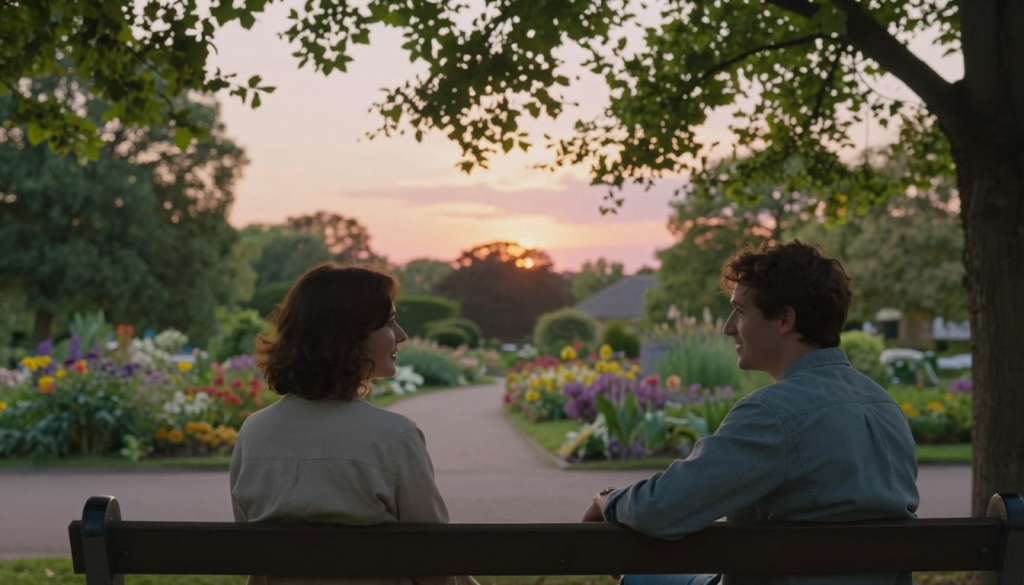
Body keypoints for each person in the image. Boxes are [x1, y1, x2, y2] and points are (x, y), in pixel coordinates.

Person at [582, 241, 920, 585]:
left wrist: (607, 500)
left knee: (640, 579)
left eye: (740, 311)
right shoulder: (885, 408)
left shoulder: (773, 415)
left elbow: (660, 510)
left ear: (785, 319)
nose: (728, 327)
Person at [230, 263, 475, 585]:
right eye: (389, 323)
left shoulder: (253, 433)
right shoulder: (395, 438)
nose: (401, 336)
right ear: (347, 337)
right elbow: (435, 564)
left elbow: (254, 555)